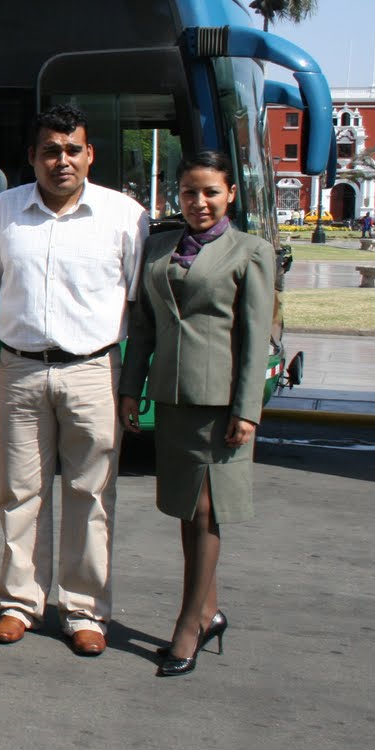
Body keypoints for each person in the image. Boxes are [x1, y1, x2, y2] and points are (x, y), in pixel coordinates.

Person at [0, 104, 148, 657]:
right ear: (32, 157)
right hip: (22, 369)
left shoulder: (125, 217)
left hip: (93, 372)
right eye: (50, 151)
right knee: (19, 494)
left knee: (91, 495)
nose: (62, 161)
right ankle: (18, 604)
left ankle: (84, 611)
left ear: (89, 154)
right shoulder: (1, 213)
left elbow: (137, 298)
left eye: (72, 150)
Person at [119, 151, 275, 676]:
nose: (200, 202)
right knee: (188, 511)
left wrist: (247, 409)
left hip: (221, 405)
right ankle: (209, 611)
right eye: (190, 191)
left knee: (208, 512)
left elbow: (256, 339)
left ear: (230, 193)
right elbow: (143, 327)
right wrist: (129, 389)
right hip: (173, 399)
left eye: (210, 191)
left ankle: (189, 625)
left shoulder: (251, 251)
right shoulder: (160, 246)